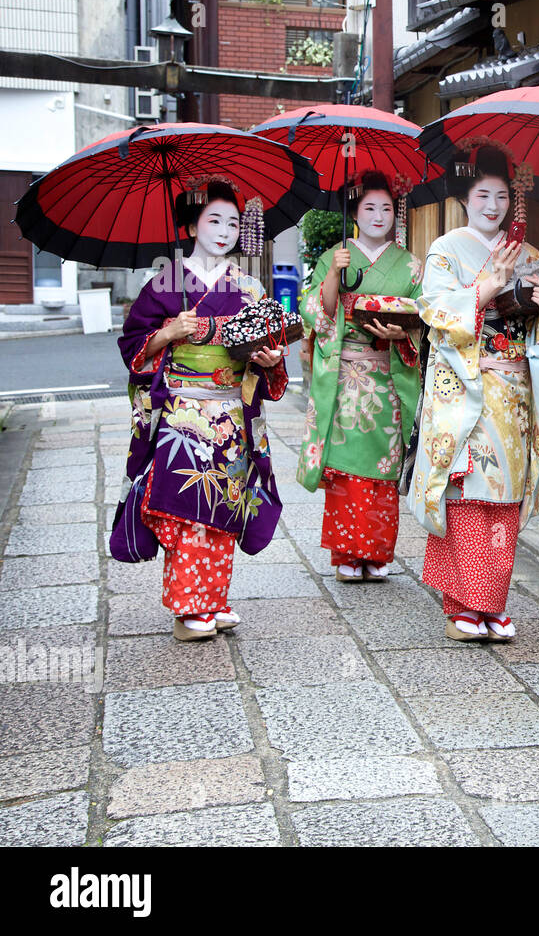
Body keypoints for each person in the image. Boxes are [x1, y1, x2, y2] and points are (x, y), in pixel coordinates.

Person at [113, 177, 287, 641]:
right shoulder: (165, 283)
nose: (225, 229)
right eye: (214, 220)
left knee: (224, 504)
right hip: (182, 418)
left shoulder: (248, 286)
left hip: (230, 412)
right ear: (191, 225)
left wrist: (268, 359)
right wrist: (169, 333)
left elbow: (267, 343)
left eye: (233, 222)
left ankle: (213, 598)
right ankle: (190, 607)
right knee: (187, 505)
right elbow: (131, 344)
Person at [407, 142, 539, 642]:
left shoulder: (533, 255)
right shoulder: (446, 249)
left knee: (504, 496)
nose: (492, 205)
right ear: (465, 198)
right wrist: (487, 287)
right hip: (466, 388)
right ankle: (466, 603)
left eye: (501, 195)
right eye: (482, 195)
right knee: (468, 489)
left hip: (514, 389)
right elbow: (434, 312)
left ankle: (490, 602)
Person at [297, 170, 422, 582]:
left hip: (388, 376)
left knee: (384, 470)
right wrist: (333, 271)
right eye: (369, 207)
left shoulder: (411, 265)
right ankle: (347, 555)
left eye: (386, 208)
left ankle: (377, 553)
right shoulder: (336, 254)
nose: (378, 215)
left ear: (396, 214)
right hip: (345, 378)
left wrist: (403, 332)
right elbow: (317, 312)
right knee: (346, 469)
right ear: (354, 212)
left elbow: (426, 319)